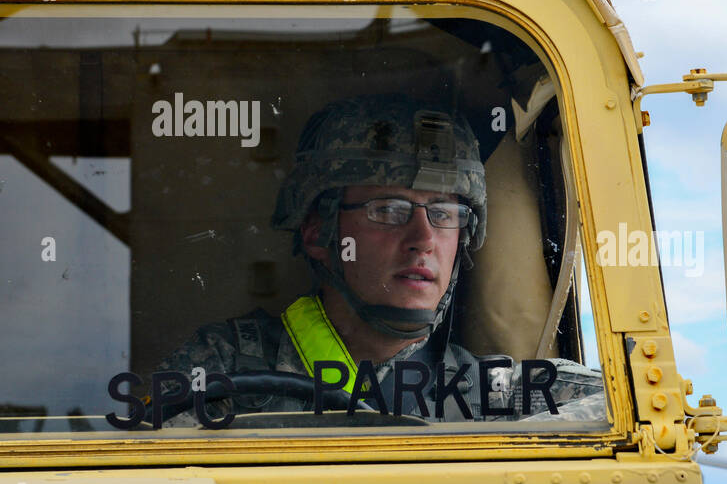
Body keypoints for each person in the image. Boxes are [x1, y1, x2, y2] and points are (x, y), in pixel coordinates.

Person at [152, 93, 605, 427]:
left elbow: (633, 415)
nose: (424, 239)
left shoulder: (498, 395)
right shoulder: (223, 367)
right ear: (319, 232)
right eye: (388, 210)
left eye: (445, 215)